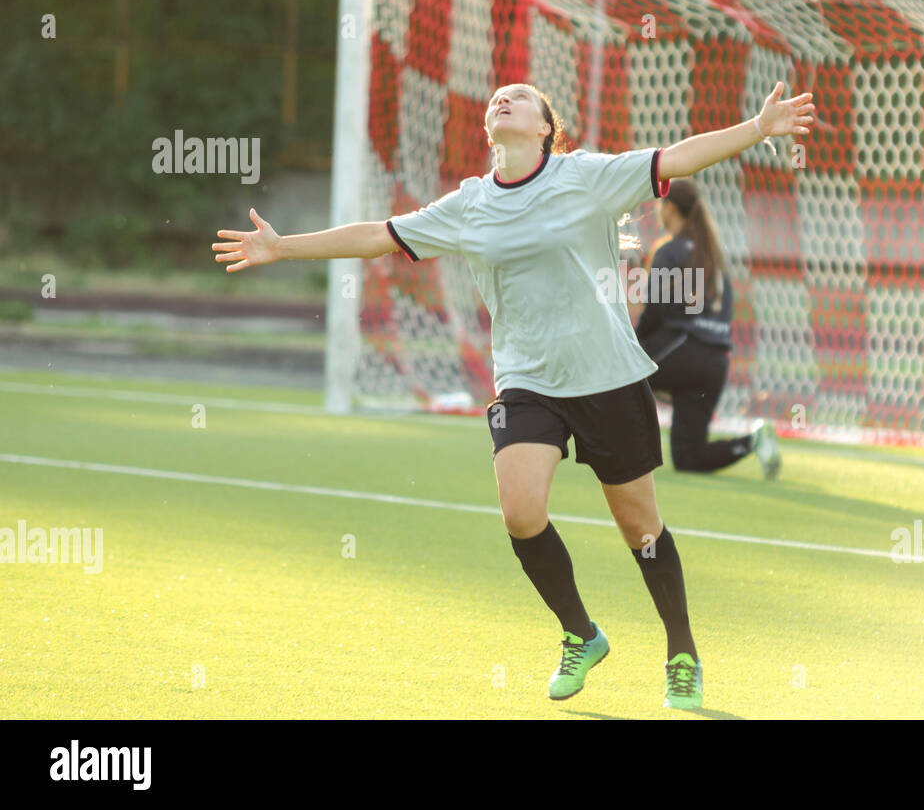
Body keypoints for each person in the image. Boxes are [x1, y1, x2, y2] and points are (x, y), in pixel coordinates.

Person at [212, 80, 815, 710]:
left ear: (545, 127)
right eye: (497, 97)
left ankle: (682, 651)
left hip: (607, 374)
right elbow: (378, 236)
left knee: (640, 529)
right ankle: (581, 634)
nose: (503, 99)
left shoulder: (586, 177)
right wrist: (282, 248)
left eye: (520, 96)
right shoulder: (469, 204)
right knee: (520, 511)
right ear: (489, 129)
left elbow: (679, 157)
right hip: (527, 381)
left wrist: (757, 126)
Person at [635, 179, 781, 479]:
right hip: (715, 363)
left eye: (660, 203)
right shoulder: (714, 255)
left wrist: (633, 347)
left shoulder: (669, 251)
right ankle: (753, 441)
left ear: (670, 207)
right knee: (689, 456)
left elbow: (654, 312)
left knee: (620, 372)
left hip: (681, 349)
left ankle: (609, 447)